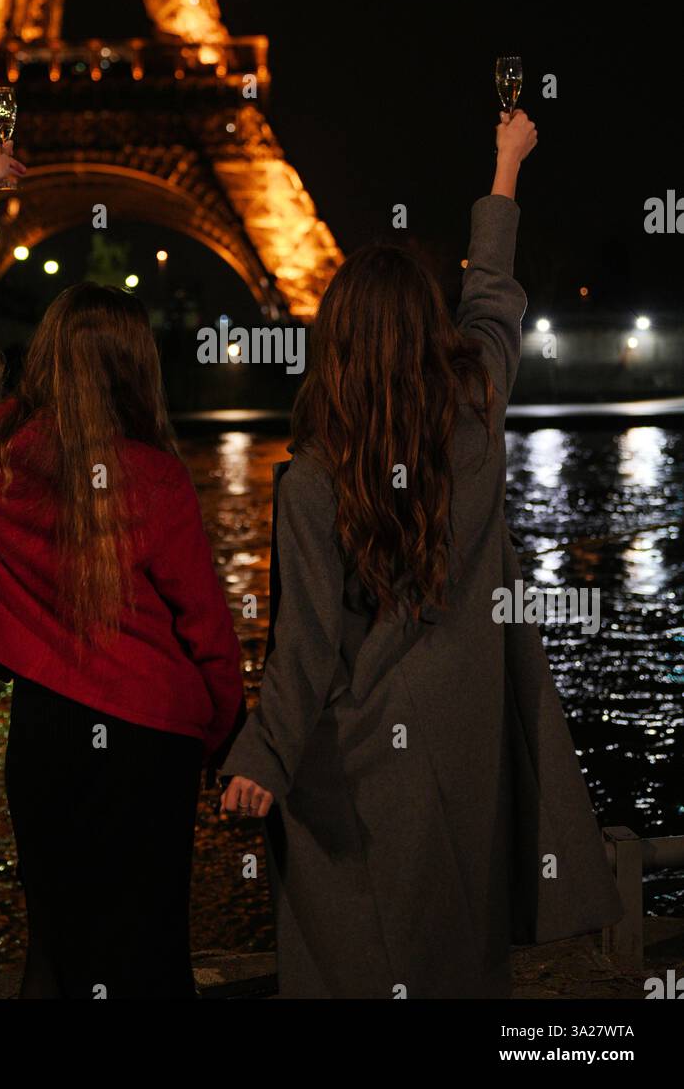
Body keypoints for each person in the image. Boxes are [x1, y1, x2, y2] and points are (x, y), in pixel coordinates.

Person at [219, 110, 624, 999]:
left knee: (355, 947)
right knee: (459, 938)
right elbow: (491, 294)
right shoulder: (478, 411)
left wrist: (262, 754)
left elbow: (305, 643)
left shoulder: (314, 480)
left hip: (361, 749)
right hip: (467, 722)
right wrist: (505, 165)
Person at [0, 139, 244, 999]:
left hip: (48, 735)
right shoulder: (158, 479)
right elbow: (208, 633)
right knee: (154, 947)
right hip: (152, 743)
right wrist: (222, 736)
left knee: (55, 945)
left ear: (49, 357)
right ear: (138, 369)